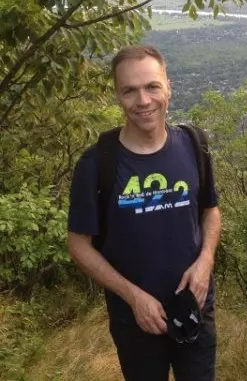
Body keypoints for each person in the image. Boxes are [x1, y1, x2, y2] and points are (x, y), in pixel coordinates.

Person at [67, 45, 221, 381]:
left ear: (168, 87)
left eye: (152, 86)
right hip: (134, 319)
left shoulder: (194, 145)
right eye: (130, 90)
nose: (143, 100)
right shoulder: (97, 165)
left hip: (194, 307)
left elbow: (210, 211)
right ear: (117, 96)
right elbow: (78, 244)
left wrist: (206, 261)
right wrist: (133, 297)